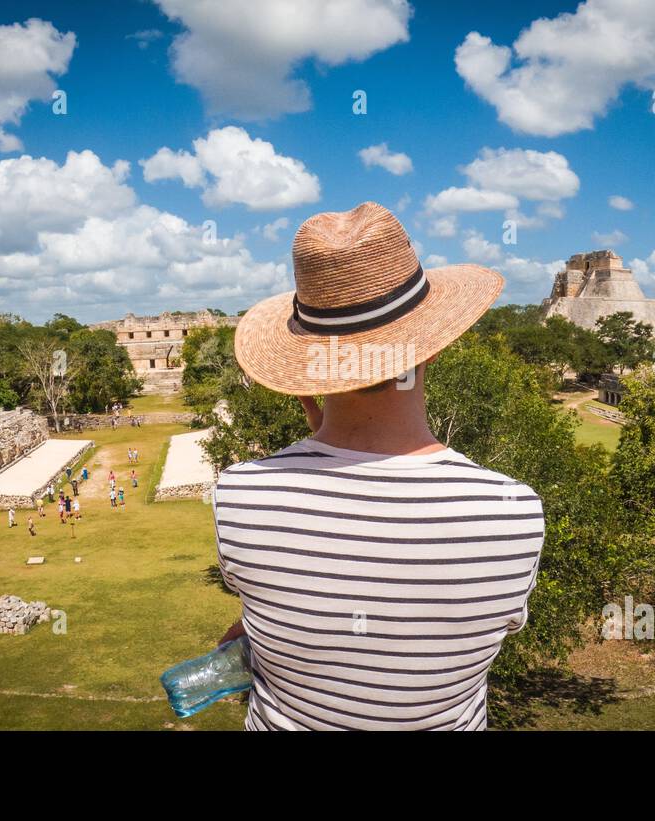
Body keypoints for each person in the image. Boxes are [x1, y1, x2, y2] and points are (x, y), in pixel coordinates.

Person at [211, 202, 541, 731]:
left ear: (306, 369)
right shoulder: (513, 512)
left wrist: (322, 441)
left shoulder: (241, 494)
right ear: (433, 347)